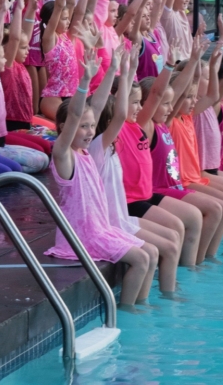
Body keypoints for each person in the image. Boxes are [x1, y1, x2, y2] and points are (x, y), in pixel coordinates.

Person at [48, 50, 156, 306]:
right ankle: (128, 312)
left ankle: (141, 305)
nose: (89, 131)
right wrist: (85, 81)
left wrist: (113, 69)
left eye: (91, 126)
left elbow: (95, 108)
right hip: (82, 236)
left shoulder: (85, 152)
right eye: (83, 127)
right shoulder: (64, 155)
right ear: (64, 128)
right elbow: (76, 114)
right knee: (141, 259)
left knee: (151, 253)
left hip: (101, 228)